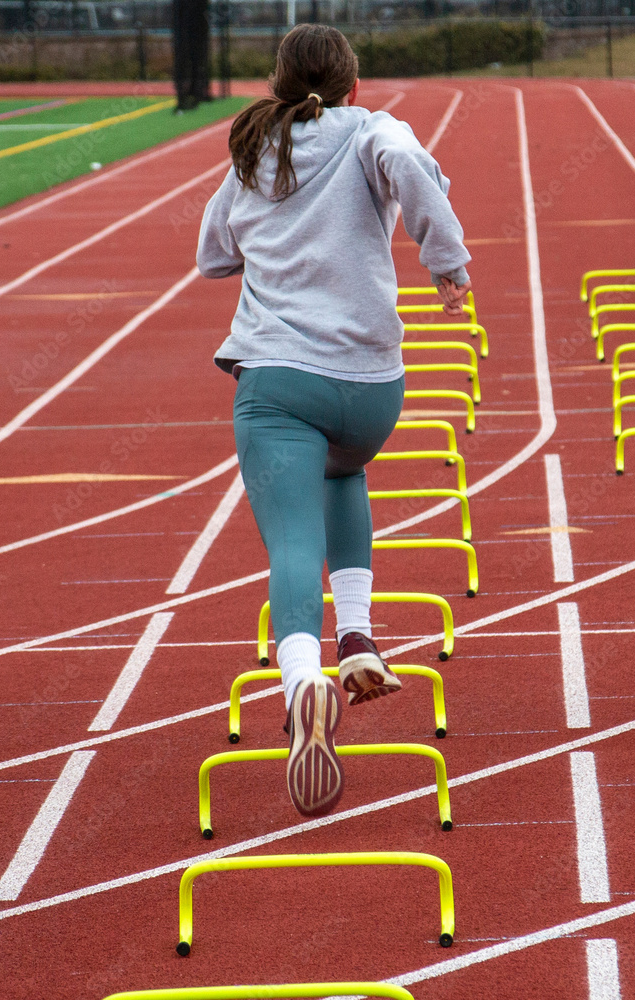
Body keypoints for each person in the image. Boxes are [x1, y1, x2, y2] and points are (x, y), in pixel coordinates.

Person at [196, 24, 471, 819]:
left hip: (280, 381)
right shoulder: (375, 130)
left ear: (280, 84)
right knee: (344, 474)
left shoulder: (253, 149)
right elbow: (413, 170)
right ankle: (357, 639)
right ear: (353, 84)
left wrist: (274, 239)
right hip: (371, 387)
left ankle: (302, 683)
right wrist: (444, 261)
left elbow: (212, 257)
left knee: (291, 542)